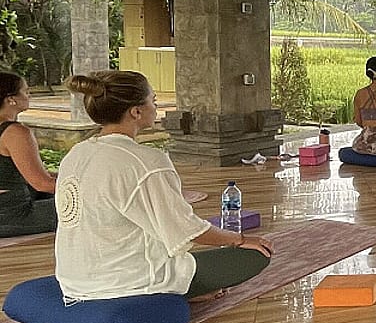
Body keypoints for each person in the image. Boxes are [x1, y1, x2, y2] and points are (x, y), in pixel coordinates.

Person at [55, 71, 273, 302]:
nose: (156, 107)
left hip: (72, 279)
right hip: (127, 282)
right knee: (257, 256)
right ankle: (174, 293)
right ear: (136, 111)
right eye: (153, 101)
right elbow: (187, 230)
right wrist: (238, 239)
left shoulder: (76, 153)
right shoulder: (146, 161)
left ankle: (183, 291)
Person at [0, 72, 58, 237]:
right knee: (84, 204)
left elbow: (27, 173)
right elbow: (43, 184)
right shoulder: (15, 132)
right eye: (25, 91)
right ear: (11, 99)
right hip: (11, 214)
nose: (29, 95)